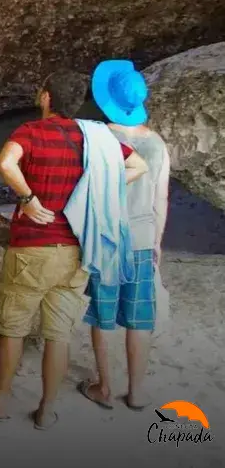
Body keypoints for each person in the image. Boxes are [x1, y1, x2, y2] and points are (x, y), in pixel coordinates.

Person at [0, 70, 148, 430]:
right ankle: (47, 411)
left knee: (13, 328)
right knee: (59, 335)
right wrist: (98, 189)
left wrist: (28, 198)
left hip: (34, 246)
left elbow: (6, 163)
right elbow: (138, 166)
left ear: (46, 97)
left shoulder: (31, 132)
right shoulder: (96, 137)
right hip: (78, 249)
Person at [77, 60, 170, 412]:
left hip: (108, 239)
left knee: (103, 315)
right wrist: (158, 241)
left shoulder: (100, 137)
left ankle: (104, 387)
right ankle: (137, 392)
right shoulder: (158, 144)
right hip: (144, 236)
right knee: (139, 318)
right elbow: (160, 198)